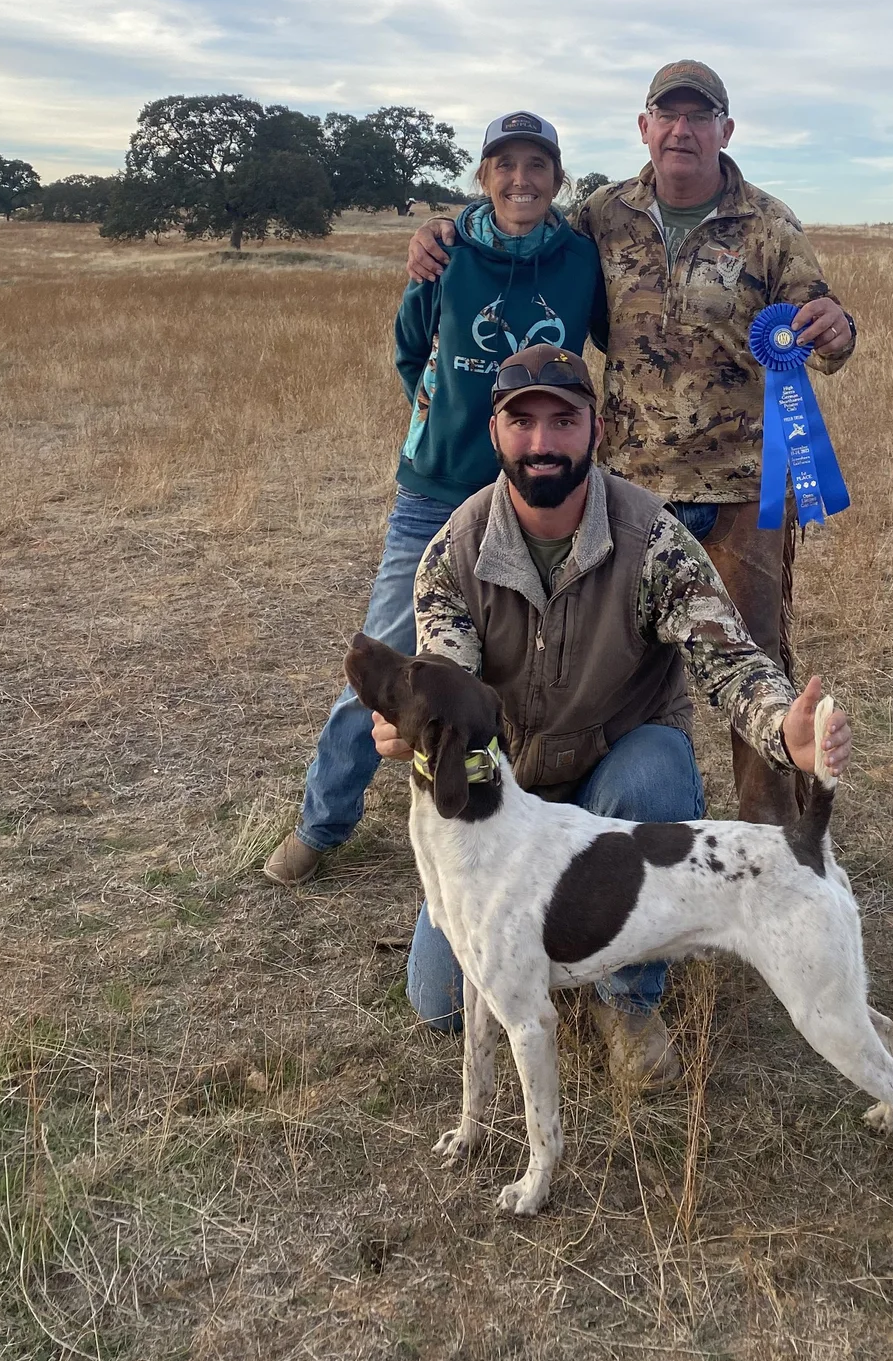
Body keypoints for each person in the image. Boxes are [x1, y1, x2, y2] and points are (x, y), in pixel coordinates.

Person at [368, 343, 852, 1085]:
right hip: (514, 802)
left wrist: (785, 731)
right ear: (494, 432)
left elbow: (729, 661)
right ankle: (593, 936)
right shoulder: (454, 550)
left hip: (622, 769)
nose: (541, 442)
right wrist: (412, 735)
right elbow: (448, 690)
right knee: (439, 1000)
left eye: (563, 421)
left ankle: (628, 995)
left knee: (657, 772)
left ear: (596, 430)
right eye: (520, 422)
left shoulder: (651, 536)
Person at [406, 60, 856, 825]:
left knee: (752, 667)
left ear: (725, 130)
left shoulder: (771, 224)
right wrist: (445, 232)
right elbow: (522, 236)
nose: (682, 129)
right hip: (624, 491)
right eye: (666, 114)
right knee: (596, 670)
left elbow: (823, 330)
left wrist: (838, 329)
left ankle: (771, 849)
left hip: (741, 492)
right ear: (644, 127)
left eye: (699, 115)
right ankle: (596, 821)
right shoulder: (601, 214)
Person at [265, 113, 605, 886]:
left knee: (547, 658)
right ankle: (322, 824)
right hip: (434, 493)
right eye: (504, 166)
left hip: (536, 492)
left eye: (537, 166)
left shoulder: (584, 260)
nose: (522, 180)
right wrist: (439, 419)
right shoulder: (445, 252)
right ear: (483, 177)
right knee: (388, 655)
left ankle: (529, 817)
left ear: (557, 178)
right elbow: (410, 348)